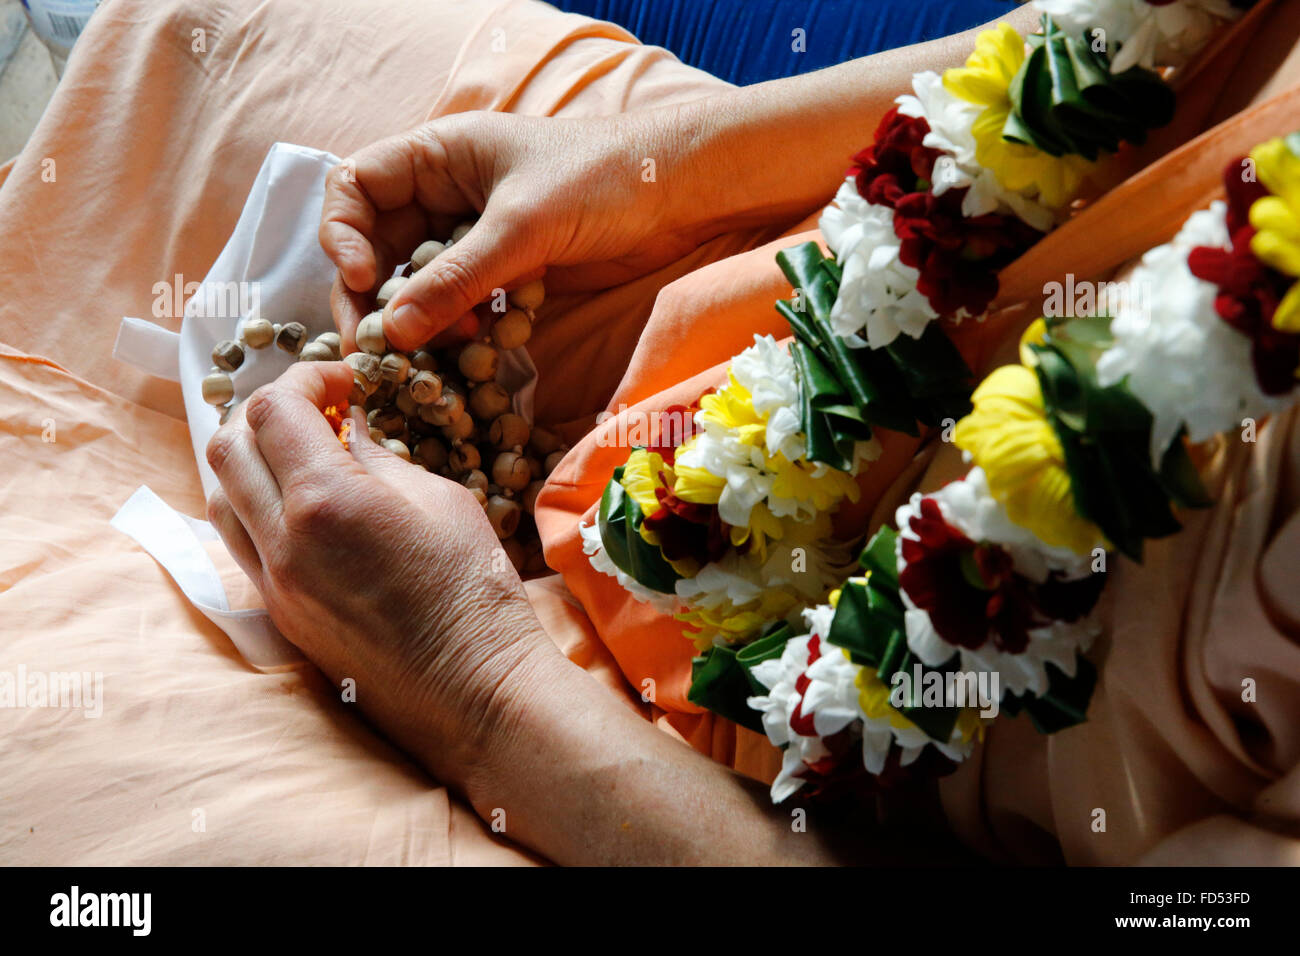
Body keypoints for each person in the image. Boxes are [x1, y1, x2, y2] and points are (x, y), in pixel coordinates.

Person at [3, 0, 1298, 865]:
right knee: (218, 27)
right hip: (795, 291)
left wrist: (468, 676)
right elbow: (1091, 47)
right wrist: (643, 172)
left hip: (777, 796)